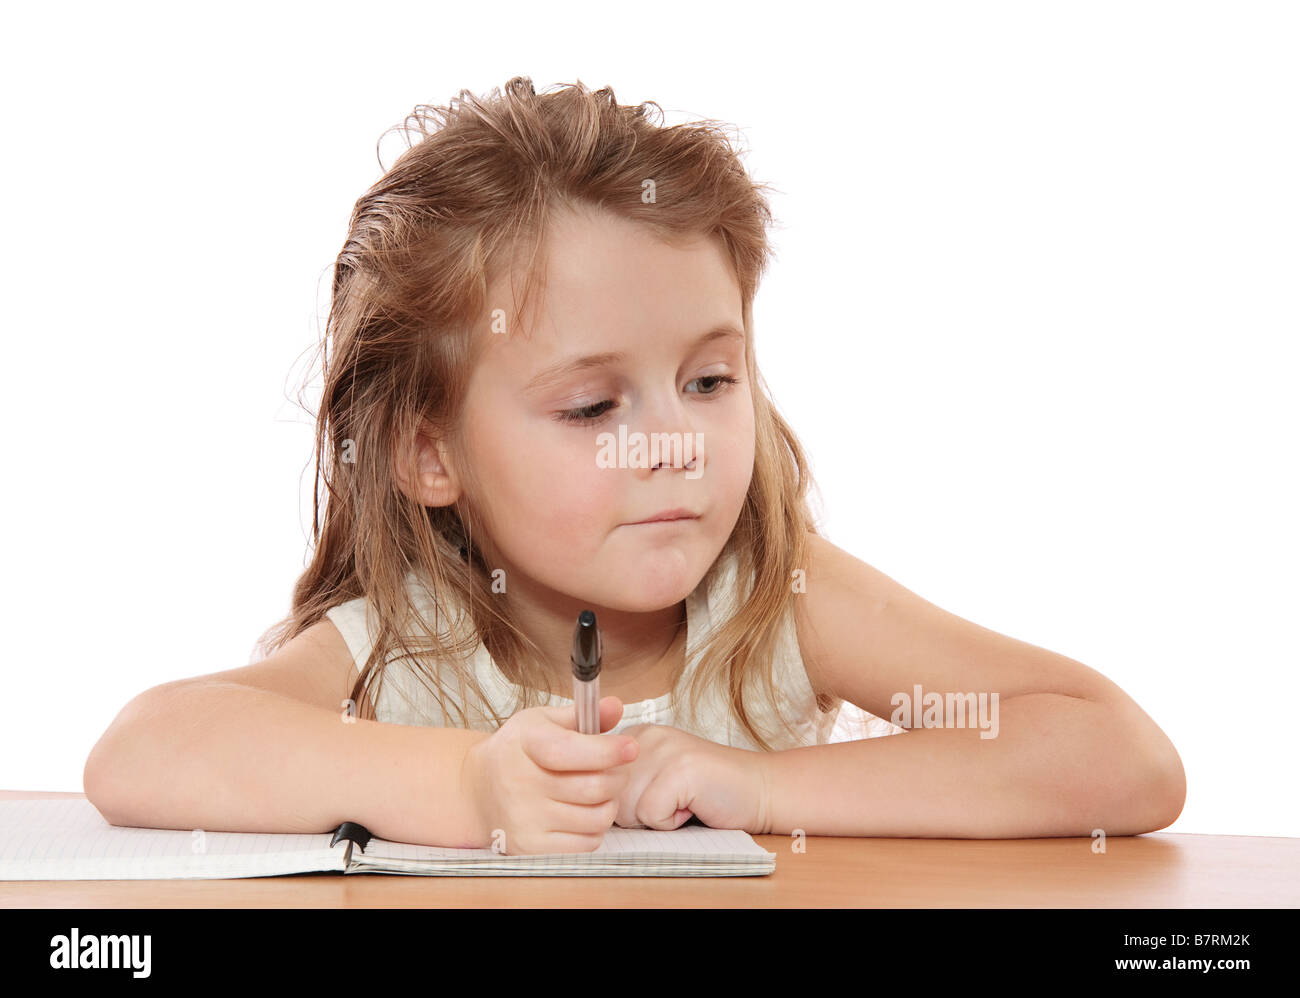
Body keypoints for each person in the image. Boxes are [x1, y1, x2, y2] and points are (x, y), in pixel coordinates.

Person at [83, 77, 1185, 856]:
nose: (677, 444)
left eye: (710, 380)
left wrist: (759, 785)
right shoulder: (412, 638)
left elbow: (1119, 757)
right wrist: (470, 785)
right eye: (592, 403)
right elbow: (144, 749)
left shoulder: (771, 597)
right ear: (428, 451)